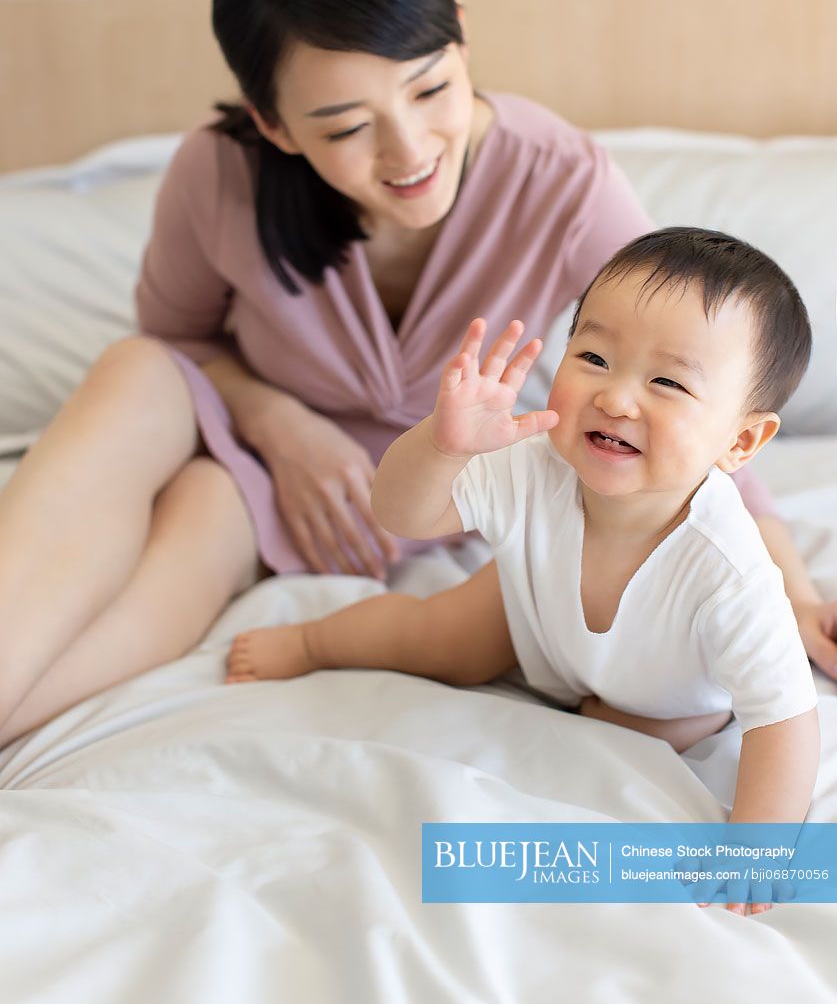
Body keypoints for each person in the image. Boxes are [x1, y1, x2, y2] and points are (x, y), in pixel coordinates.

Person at [0, 0, 830, 750]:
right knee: (134, 366)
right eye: (347, 126)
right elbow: (177, 339)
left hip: (346, 495)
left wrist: (790, 594)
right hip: (241, 433)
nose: (408, 151)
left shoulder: (560, 183)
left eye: (430, 87)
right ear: (272, 122)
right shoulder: (216, 174)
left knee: (200, 510)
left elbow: (698, 395)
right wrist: (279, 425)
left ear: (460, 35)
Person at [225, 227, 820, 912]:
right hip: (532, 616)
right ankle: (314, 641)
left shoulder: (729, 570)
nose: (617, 398)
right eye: (593, 356)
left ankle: (615, 709)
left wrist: (757, 849)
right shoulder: (536, 462)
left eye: (665, 381)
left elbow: (784, 721)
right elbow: (401, 513)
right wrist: (442, 447)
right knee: (427, 632)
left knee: (634, 729)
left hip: (663, 691)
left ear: (741, 440)